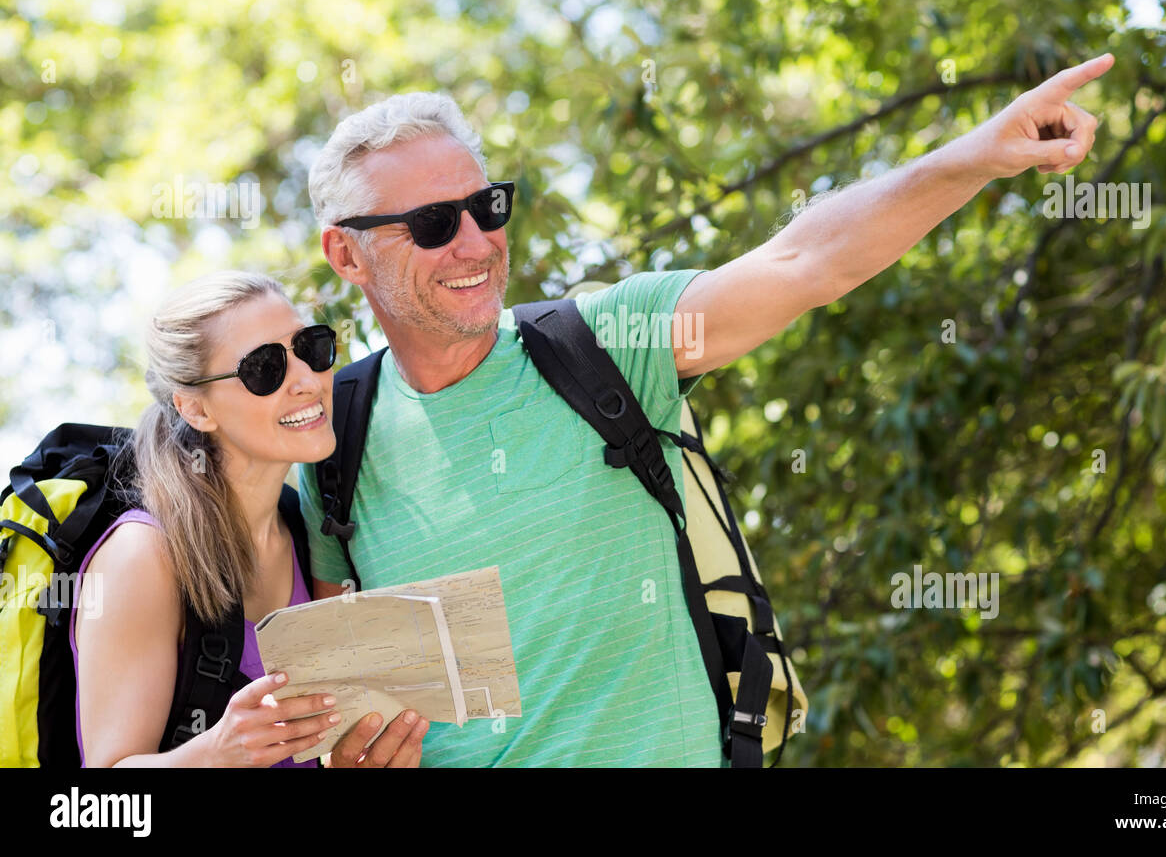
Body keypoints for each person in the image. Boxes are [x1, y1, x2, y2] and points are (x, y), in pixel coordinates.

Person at [302, 58, 1111, 766]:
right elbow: (345, 712)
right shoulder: (330, 442)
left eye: (488, 207)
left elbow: (805, 261)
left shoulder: (607, 342)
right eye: (435, 224)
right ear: (347, 253)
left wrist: (977, 154)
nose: (474, 244)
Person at [70, 270, 429, 767]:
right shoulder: (144, 555)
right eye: (265, 368)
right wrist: (218, 752)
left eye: (312, 347)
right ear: (195, 408)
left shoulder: (309, 531)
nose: (307, 380)